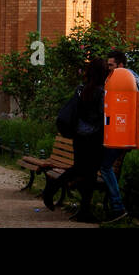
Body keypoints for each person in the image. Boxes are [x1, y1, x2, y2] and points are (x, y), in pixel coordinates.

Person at [43, 57, 107, 222]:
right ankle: (80, 207)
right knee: (89, 174)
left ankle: (80, 207)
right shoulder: (101, 92)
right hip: (94, 139)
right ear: (103, 72)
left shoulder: (82, 89)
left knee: (80, 169)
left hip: (78, 136)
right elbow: (102, 116)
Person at [100, 49, 139, 224]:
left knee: (105, 166)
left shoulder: (123, 79)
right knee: (105, 165)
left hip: (121, 134)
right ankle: (114, 205)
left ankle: (117, 206)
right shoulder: (129, 78)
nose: (108, 69)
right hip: (123, 134)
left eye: (111, 65)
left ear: (120, 65)